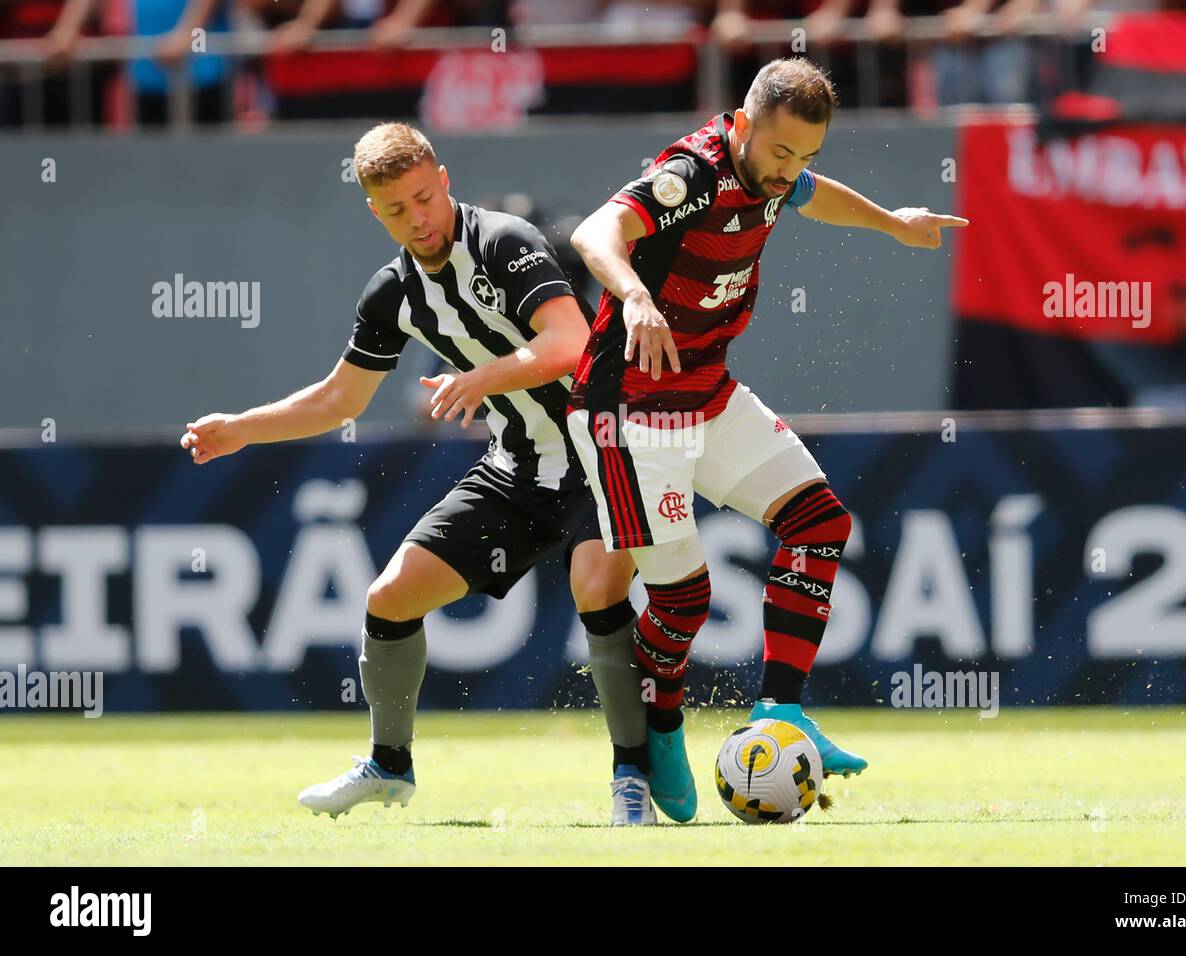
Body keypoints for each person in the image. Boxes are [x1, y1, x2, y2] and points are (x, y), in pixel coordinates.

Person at [181, 122, 653, 825]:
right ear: (375, 211)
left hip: (601, 447)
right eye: (397, 209)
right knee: (391, 597)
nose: (418, 218)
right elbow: (340, 398)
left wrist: (482, 379)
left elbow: (570, 342)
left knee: (595, 591)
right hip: (520, 466)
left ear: (444, 180)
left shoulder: (505, 242)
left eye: (424, 197)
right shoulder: (391, 295)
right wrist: (242, 430)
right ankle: (389, 766)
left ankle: (631, 780)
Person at [565, 57, 967, 822]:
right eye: (781, 153)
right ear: (744, 126)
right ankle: (656, 734)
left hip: (705, 391)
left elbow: (814, 199)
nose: (791, 172)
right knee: (685, 600)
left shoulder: (777, 177)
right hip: (627, 410)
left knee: (820, 522)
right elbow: (596, 232)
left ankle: (780, 712)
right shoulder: (692, 173)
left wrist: (892, 222)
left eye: (806, 156)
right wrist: (637, 296)